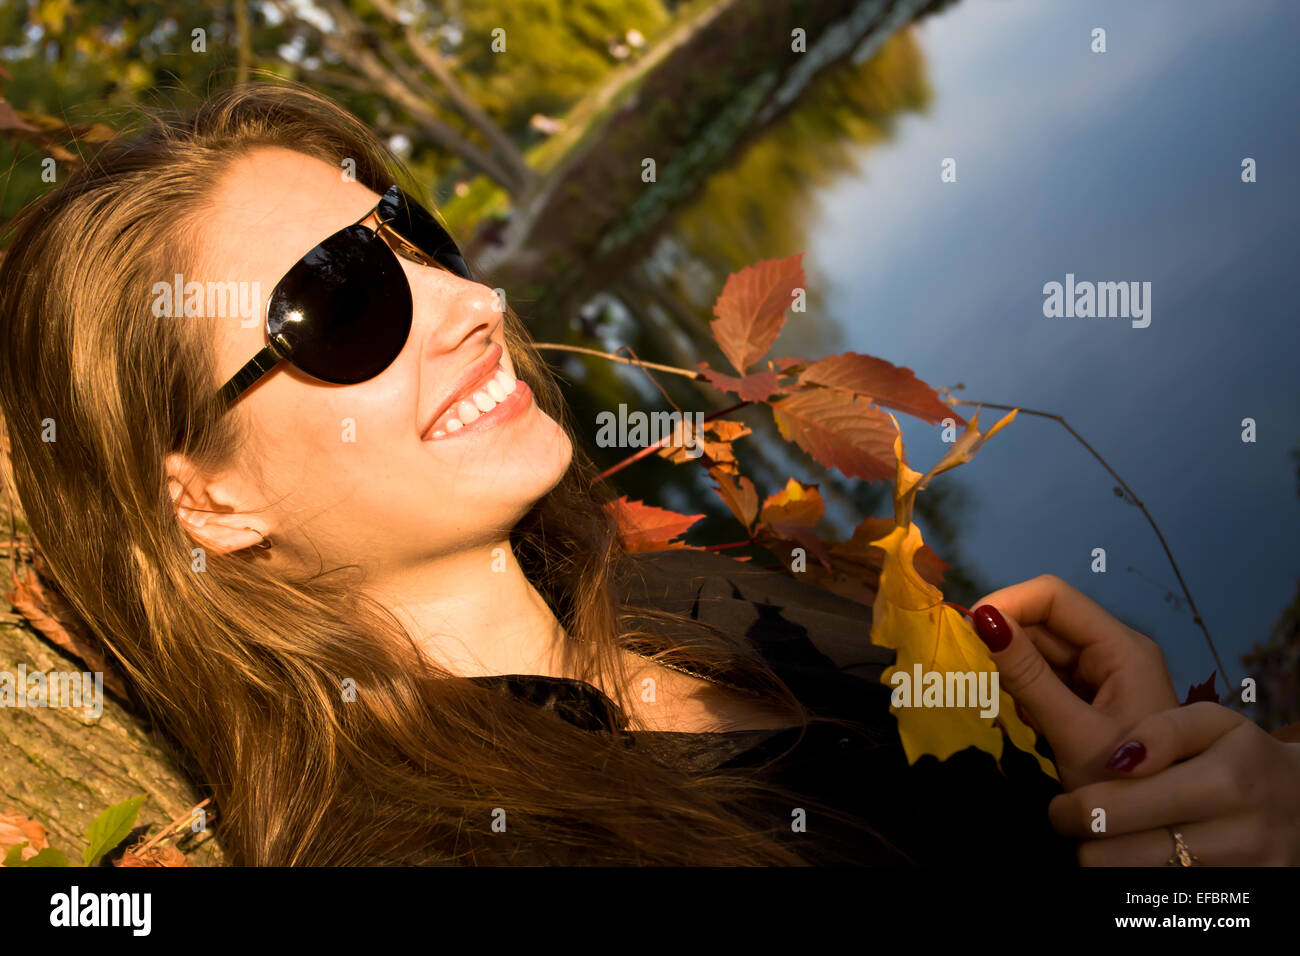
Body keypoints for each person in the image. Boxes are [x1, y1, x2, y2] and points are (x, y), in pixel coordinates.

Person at [0, 83, 1294, 866]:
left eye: (419, 241)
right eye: (342, 303)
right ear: (206, 500)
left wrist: (1173, 788)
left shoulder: (700, 610)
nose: (470, 298)